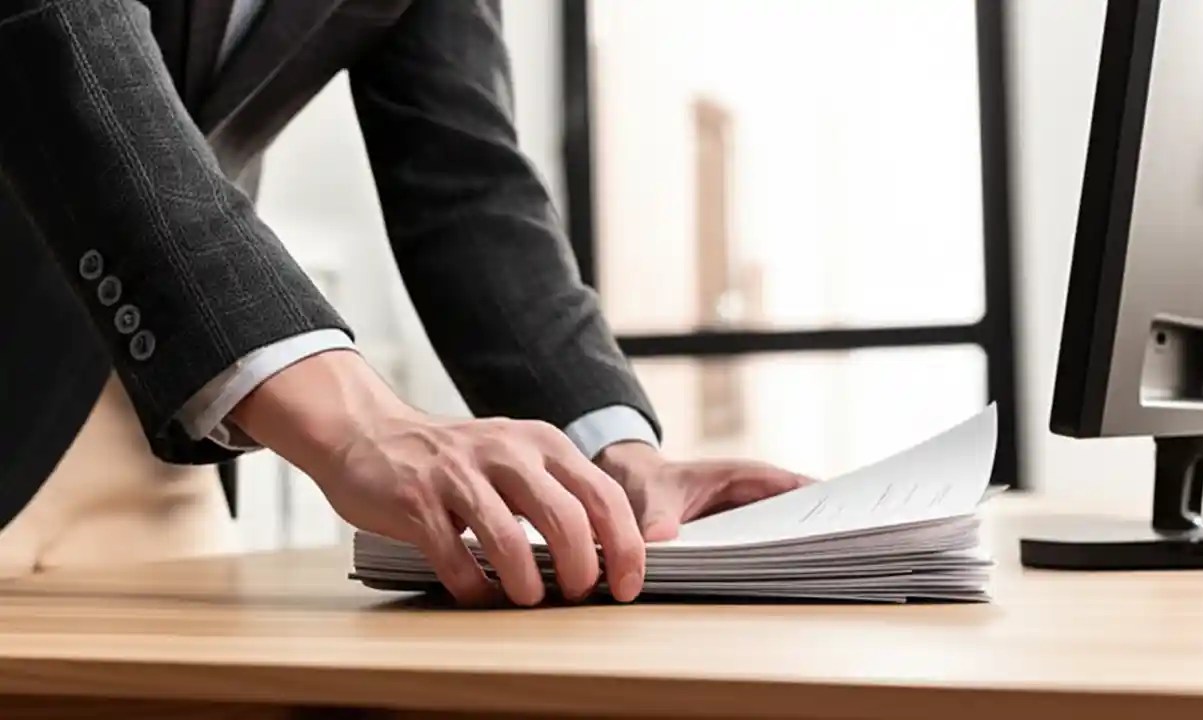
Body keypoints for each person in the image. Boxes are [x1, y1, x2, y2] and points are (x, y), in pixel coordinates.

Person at [0, 0, 810, 605]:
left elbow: (464, 180)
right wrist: (352, 419)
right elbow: (54, 30)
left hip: (157, 416)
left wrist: (611, 458)